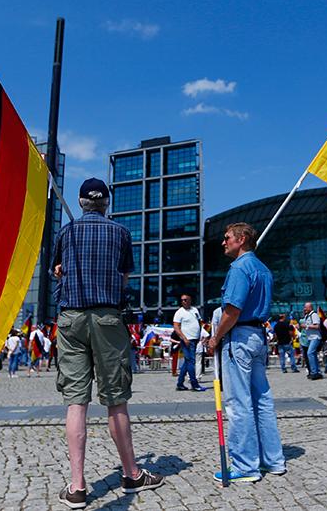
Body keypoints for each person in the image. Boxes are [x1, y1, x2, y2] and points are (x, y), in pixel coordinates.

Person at [50, 178, 162, 508]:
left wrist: (65, 270)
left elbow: (58, 271)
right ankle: (131, 473)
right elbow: (124, 276)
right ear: (106, 203)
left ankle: (77, 486)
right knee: (116, 399)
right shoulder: (121, 233)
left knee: (76, 401)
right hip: (107, 318)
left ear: (82, 202)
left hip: (71, 317)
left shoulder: (66, 232)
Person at [206, 222, 285, 482]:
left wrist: (215, 338)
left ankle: (245, 466)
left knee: (238, 403)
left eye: (227, 237)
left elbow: (232, 310)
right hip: (258, 337)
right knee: (262, 401)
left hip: (239, 337)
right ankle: (273, 460)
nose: (223, 242)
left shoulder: (240, 268)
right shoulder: (263, 269)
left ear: (241, 239)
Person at [172, 294, 206, 391]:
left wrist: (199, 335)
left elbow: (199, 323)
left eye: (186, 299)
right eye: (182, 300)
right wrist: (184, 338)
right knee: (191, 361)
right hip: (187, 340)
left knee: (187, 362)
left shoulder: (195, 310)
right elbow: (176, 327)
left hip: (195, 339)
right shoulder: (179, 312)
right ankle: (194, 384)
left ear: (190, 300)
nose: (184, 301)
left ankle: (180, 383)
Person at [300, 302, 323, 380]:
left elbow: (317, 326)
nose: (304, 309)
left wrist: (306, 326)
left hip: (315, 337)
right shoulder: (307, 316)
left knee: (310, 353)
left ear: (310, 308)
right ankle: (317, 371)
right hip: (310, 338)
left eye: (305, 307)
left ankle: (314, 372)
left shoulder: (314, 315)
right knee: (313, 355)